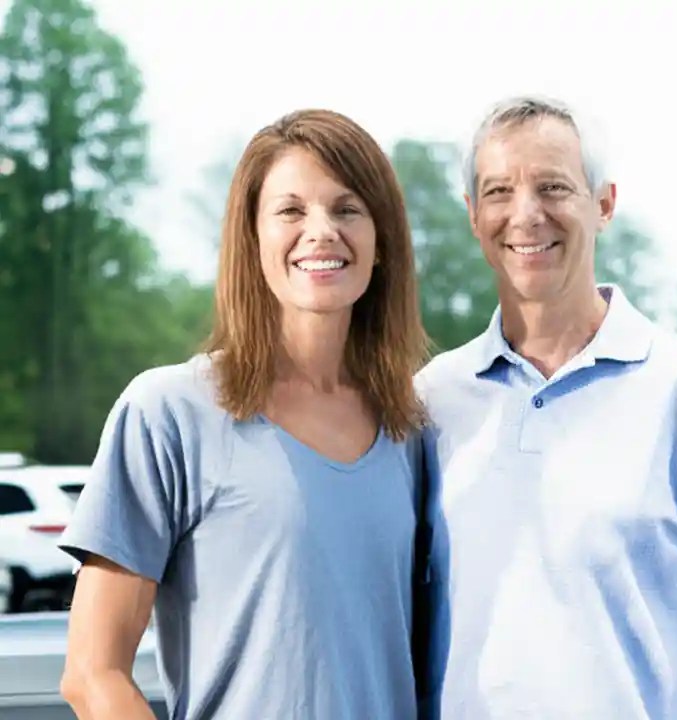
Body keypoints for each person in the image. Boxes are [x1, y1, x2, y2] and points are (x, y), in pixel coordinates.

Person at [417, 96, 677, 719]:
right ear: (472, 214)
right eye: (499, 192)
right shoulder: (431, 401)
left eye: (553, 187)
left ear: (604, 204)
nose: (526, 215)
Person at [58, 108, 431, 719]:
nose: (322, 231)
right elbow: (93, 675)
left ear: (381, 241)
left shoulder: (411, 431)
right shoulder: (168, 413)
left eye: (347, 209)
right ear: (251, 240)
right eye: (291, 211)